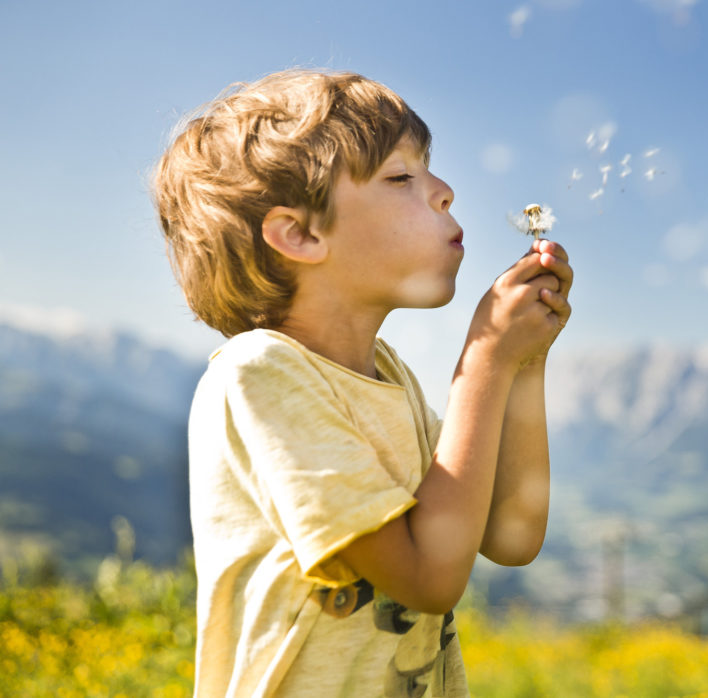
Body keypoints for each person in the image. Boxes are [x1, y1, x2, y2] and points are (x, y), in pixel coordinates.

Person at [151, 68, 573, 697]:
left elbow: (511, 535)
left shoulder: (386, 376)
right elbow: (429, 577)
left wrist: (524, 361)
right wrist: (486, 356)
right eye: (402, 178)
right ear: (301, 234)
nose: (446, 192)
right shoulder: (260, 375)